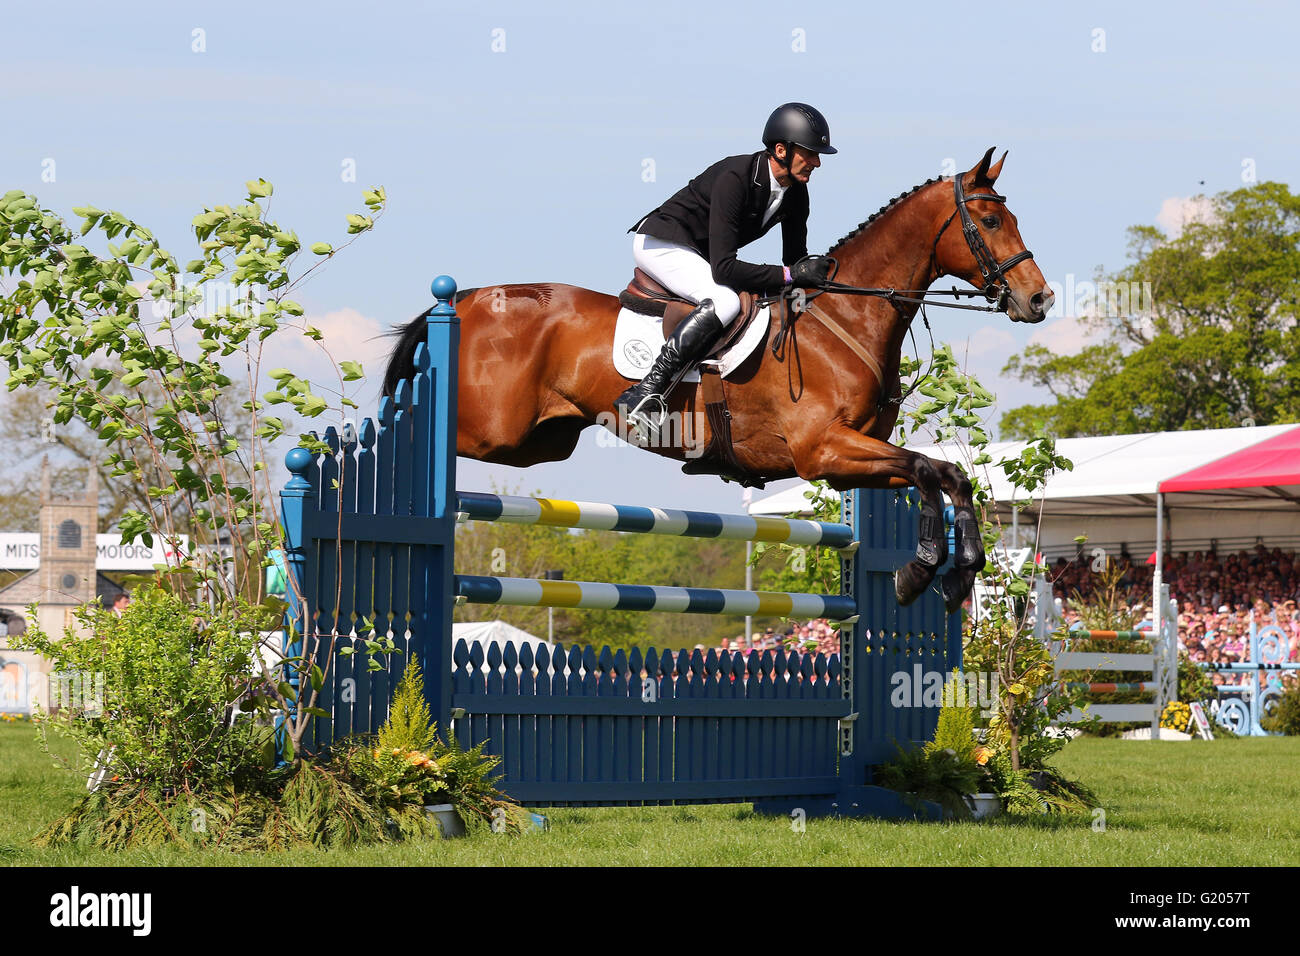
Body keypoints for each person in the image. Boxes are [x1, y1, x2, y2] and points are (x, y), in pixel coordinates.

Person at [616, 102, 839, 440]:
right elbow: (725, 269)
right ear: (781, 150)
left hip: (697, 253)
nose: (817, 162)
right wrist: (790, 275)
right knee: (724, 301)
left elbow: (795, 262)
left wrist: (816, 277)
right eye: (810, 153)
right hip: (662, 242)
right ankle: (647, 390)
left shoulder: (797, 194)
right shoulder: (736, 177)